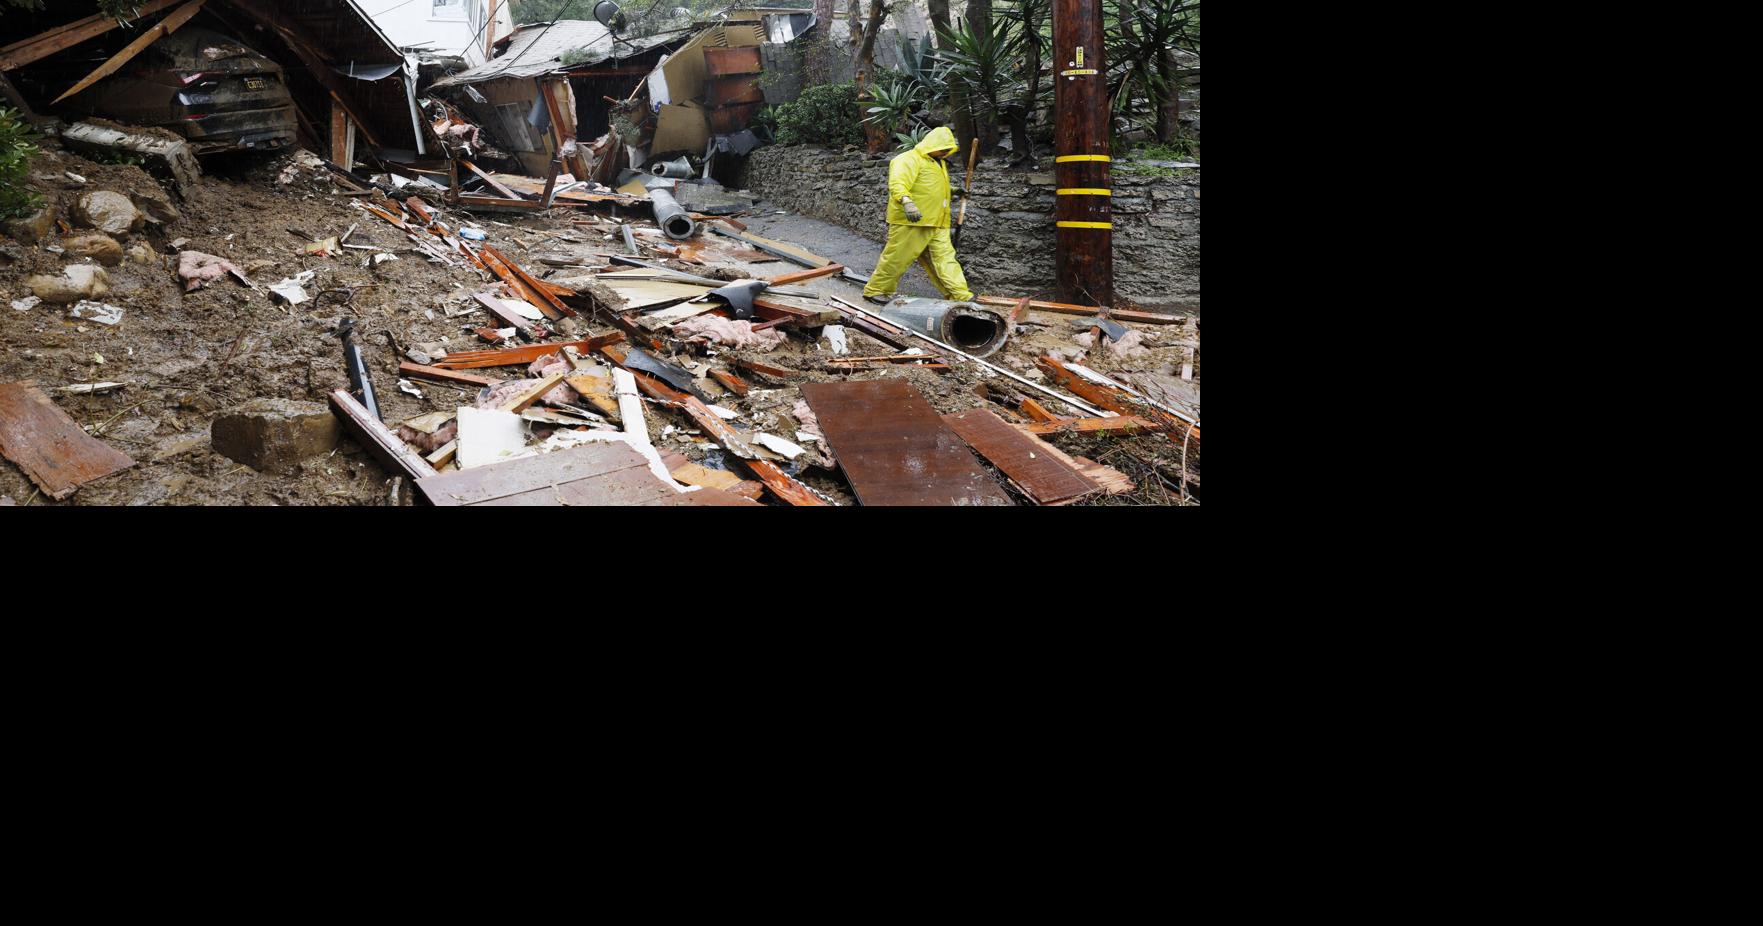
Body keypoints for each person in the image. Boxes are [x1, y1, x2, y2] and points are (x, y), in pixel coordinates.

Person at [863, 126, 973, 304]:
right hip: (911, 221)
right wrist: (907, 202)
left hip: (937, 221)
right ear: (932, 144)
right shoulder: (907, 159)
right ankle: (876, 290)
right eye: (943, 148)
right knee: (897, 258)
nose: (946, 152)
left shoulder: (938, 162)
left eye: (948, 149)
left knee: (946, 260)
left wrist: (953, 191)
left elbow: (929, 186)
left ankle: (960, 295)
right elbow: (898, 183)